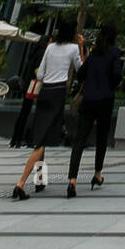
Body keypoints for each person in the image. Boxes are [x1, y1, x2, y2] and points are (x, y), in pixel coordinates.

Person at [13, 20, 84, 200]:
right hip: (57, 93)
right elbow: (81, 70)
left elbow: (40, 74)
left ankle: (40, 179)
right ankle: (20, 183)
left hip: (44, 92)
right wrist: (82, 48)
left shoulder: (50, 47)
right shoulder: (73, 49)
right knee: (41, 142)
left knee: (41, 136)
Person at [67, 23, 122, 196]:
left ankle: (72, 180)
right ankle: (97, 174)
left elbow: (80, 74)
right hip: (105, 99)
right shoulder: (114, 52)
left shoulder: (94, 53)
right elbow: (117, 76)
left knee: (80, 140)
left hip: (88, 99)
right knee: (102, 138)